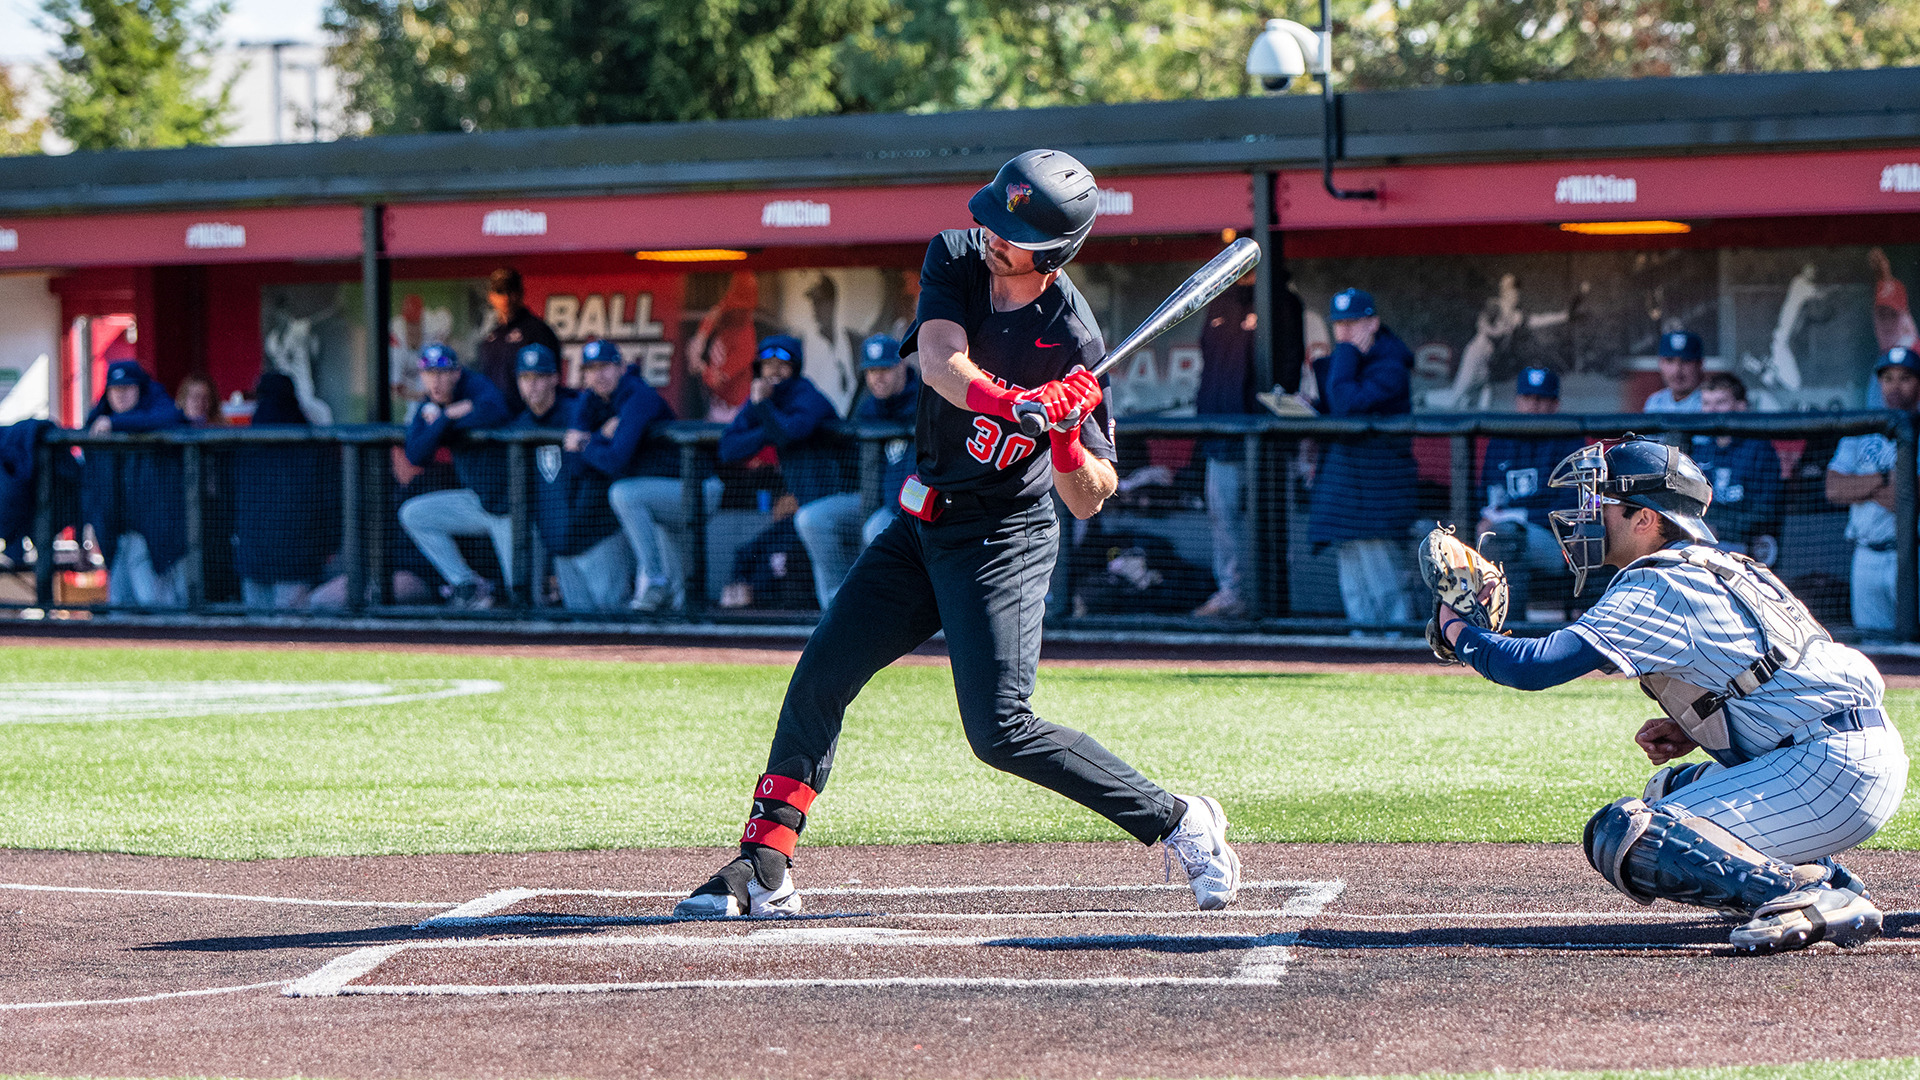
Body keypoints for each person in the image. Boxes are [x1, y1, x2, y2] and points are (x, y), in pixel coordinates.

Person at [672, 149, 1239, 919]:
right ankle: (766, 863)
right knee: (822, 673)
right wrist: (1018, 404)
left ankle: (1181, 820)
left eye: (1010, 229)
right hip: (922, 519)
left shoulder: (1074, 337)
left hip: (1003, 539)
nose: (989, 232)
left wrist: (1068, 435)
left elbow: (1089, 500)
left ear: (1052, 251)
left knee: (1000, 732)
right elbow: (941, 362)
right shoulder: (957, 256)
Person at [1435, 437, 1908, 954]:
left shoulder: (1660, 582)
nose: (1587, 515)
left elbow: (1532, 667)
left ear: (1645, 519)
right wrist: (1696, 725)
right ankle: (1825, 878)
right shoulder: (1729, 566)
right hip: (1843, 754)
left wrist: (1455, 628)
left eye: (1601, 502)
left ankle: (1804, 894)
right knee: (1664, 793)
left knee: (1625, 835)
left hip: (1827, 771)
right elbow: (1777, 672)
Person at [1308, 287, 1418, 631]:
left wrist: (1344, 354)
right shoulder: (1347, 361)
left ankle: (1397, 650)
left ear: (1373, 323)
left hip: (1378, 489)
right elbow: (1335, 406)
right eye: (1339, 324)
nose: (1344, 332)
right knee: (1354, 583)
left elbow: (1346, 405)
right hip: (1343, 488)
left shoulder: (1391, 365)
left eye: (1353, 322)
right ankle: (1361, 648)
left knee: (1384, 581)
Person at [714, 334, 843, 610]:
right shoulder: (765, 401)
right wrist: (765, 423)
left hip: (836, 501)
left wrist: (764, 411)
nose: (774, 370)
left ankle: (833, 615)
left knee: (786, 557)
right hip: (803, 508)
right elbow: (728, 448)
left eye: (782, 363)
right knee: (747, 554)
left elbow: (788, 433)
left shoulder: (807, 396)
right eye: (767, 363)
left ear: (794, 367)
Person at [792, 333, 921, 609]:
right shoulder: (868, 408)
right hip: (875, 500)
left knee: (876, 527)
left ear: (902, 366)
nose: (877, 378)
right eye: (871, 370)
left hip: (916, 508)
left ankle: (895, 613)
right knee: (811, 518)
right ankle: (837, 607)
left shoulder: (926, 401)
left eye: (884, 369)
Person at [505, 344, 625, 611]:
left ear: (554, 379)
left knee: (617, 624)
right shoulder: (519, 427)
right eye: (525, 378)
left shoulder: (581, 414)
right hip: (561, 553)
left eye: (538, 377)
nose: (532, 386)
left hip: (599, 540)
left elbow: (611, 467)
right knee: (577, 638)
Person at [396, 344, 513, 608]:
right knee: (414, 514)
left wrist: (441, 423)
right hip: (476, 501)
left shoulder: (475, 384)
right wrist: (447, 417)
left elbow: (496, 411)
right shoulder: (431, 403)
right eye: (429, 374)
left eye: (442, 373)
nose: (435, 381)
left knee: (521, 591)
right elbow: (415, 453)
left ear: (457, 373)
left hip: (509, 507)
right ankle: (466, 585)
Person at [572, 340, 680, 610]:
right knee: (679, 600)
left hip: (689, 488)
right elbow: (573, 461)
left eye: (606, 366)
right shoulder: (590, 400)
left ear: (621, 366)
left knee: (623, 494)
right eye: (591, 368)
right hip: (652, 496)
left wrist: (587, 443)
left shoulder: (639, 396)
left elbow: (615, 461)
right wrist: (598, 437)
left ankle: (655, 582)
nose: (599, 375)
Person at [1826, 346, 1920, 636]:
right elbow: (1834, 488)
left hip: (1912, 553)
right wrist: (1883, 477)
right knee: (1874, 649)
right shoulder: (1862, 428)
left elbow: (1907, 500)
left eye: (1905, 377)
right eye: (1888, 378)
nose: (1895, 385)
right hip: (1865, 554)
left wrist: (1861, 486)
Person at [1476, 367, 1585, 616]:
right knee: (1437, 537)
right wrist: (1486, 518)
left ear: (1555, 404)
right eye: (1527, 398)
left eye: (1541, 399)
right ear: (1517, 401)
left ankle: (1508, 630)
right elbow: (1483, 495)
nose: (1533, 405)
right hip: (1496, 530)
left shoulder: (1570, 441)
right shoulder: (1502, 439)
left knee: (1506, 535)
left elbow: (1569, 509)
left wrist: (1513, 519)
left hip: (1553, 543)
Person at [82, 360, 189, 607]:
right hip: (118, 530)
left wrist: (116, 423)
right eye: (115, 389)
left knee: (156, 603)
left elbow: (170, 417)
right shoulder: (99, 417)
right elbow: (89, 485)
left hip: (159, 531)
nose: (120, 395)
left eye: (128, 388)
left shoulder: (157, 405)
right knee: (120, 604)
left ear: (140, 388)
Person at [232, 372, 339, 609]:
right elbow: (332, 502)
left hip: (261, 554)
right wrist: (330, 545)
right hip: (295, 555)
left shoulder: (245, 443)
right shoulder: (314, 444)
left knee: (258, 634)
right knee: (290, 633)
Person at [1191, 271, 1257, 619]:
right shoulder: (1217, 302)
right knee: (1223, 517)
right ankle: (1231, 593)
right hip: (1221, 436)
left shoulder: (1278, 302)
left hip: (1264, 436)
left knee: (1268, 520)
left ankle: (1266, 595)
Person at [1689, 372, 1782, 562]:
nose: (1712, 410)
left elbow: (1765, 511)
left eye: (1720, 402)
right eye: (1706, 403)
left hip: (1746, 549)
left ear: (1741, 406)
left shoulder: (1760, 449)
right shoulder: (1700, 451)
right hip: (1700, 546)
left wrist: (1720, 529)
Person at [476, 267, 562, 418]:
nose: (506, 298)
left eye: (511, 292)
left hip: (530, 417)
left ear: (521, 293)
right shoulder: (491, 336)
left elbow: (552, 378)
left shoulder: (537, 330)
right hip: (494, 417)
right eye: (500, 292)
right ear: (491, 296)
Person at [1644, 330, 1705, 413]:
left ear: (1699, 364)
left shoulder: (1712, 402)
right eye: (1670, 361)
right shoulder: (1656, 401)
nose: (1677, 370)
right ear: (1660, 364)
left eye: (1685, 361)